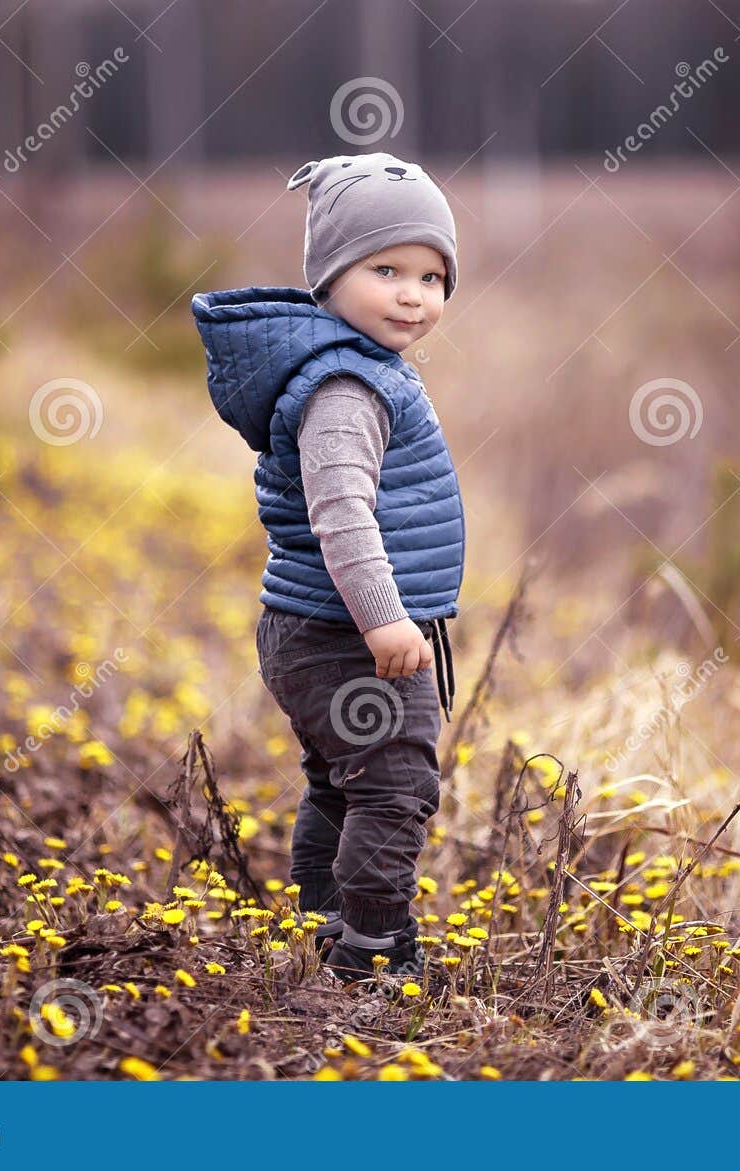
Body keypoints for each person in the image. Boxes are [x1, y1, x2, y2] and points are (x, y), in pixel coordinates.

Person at [191, 151, 463, 991]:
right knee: (395, 786)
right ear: (330, 277)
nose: (414, 294)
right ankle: (372, 950)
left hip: (314, 626)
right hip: (346, 632)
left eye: (432, 275)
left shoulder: (363, 368)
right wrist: (386, 617)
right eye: (387, 270)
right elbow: (339, 511)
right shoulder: (345, 387)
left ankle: (328, 921)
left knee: (342, 784)